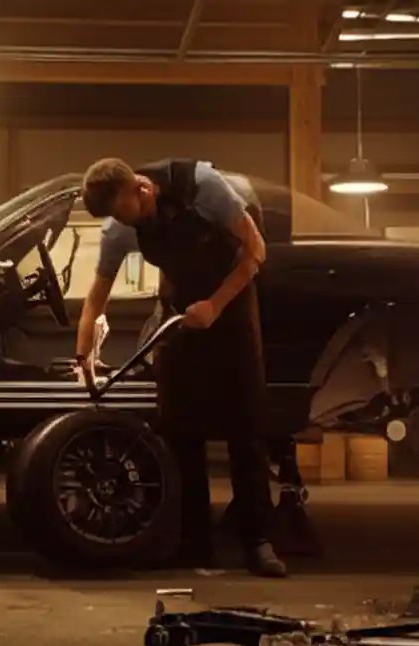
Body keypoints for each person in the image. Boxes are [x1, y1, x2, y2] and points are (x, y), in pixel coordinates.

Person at [74, 157, 287, 578]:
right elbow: (95, 300)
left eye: (126, 212)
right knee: (178, 428)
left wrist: (215, 305)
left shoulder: (203, 188)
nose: (124, 224)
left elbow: (256, 251)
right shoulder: (119, 229)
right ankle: (194, 541)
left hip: (231, 298)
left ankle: (256, 539)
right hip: (178, 306)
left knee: (245, 426)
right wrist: (85, 359)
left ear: (142, 188)